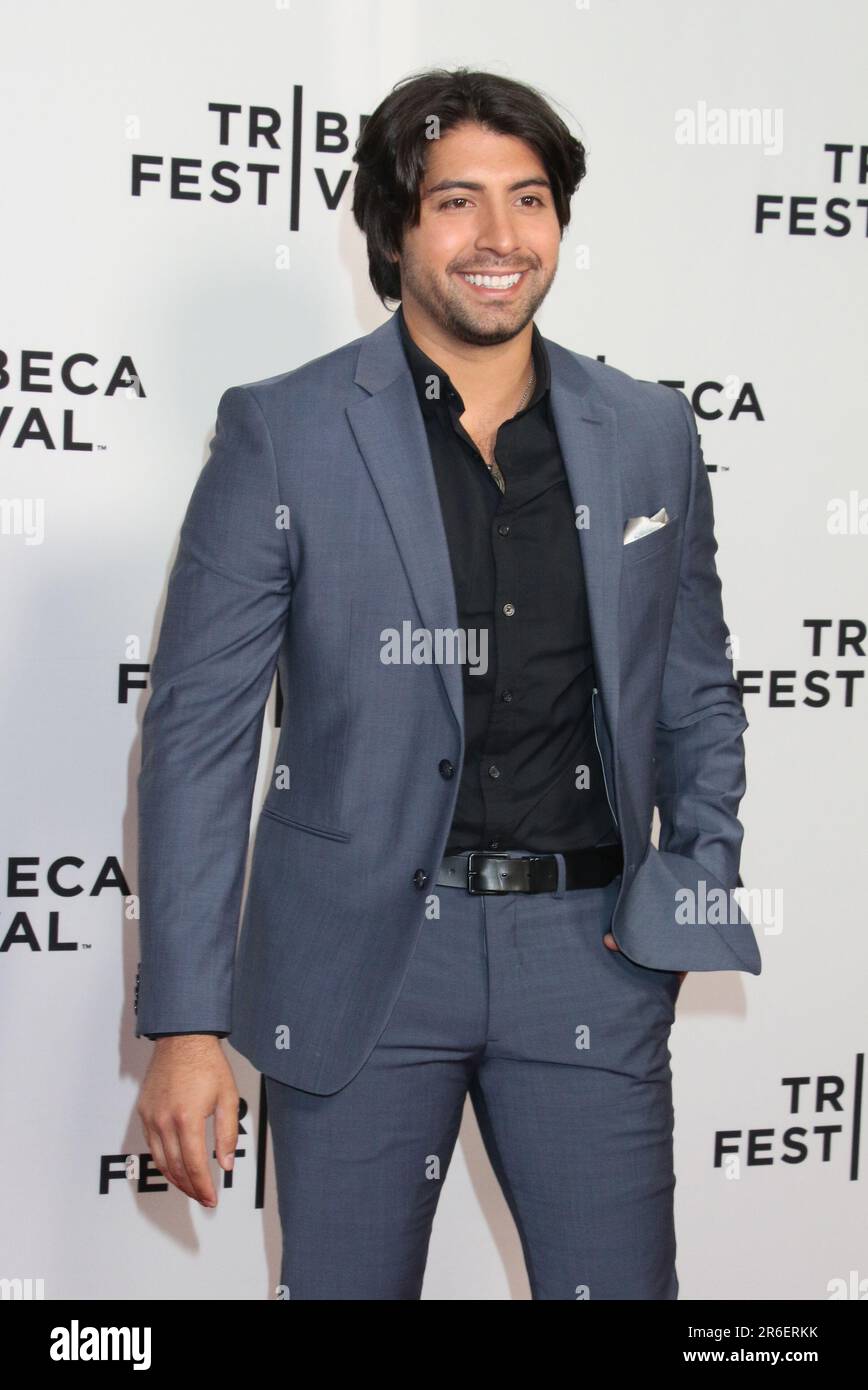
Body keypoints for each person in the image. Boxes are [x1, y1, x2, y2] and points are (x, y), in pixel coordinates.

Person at [135, 67, 761, 1300]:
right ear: (394, 226)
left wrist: (680, 907)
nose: (500, 239)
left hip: (588, 954)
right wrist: (186, 1025)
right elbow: (200, 738)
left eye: (528, 201)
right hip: (362, 959)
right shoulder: (287, 429)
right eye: (457, 202)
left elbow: (695, 695)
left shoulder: (647, 431)